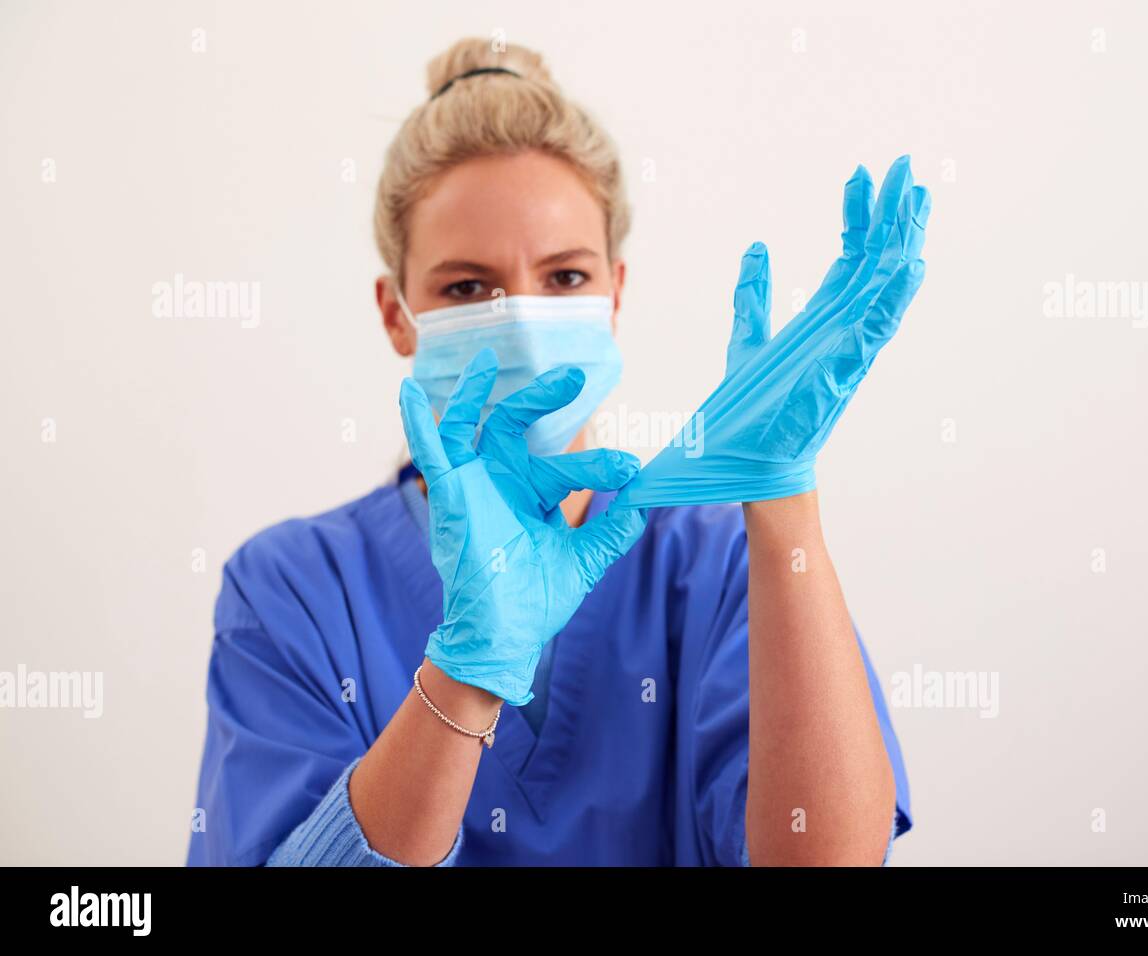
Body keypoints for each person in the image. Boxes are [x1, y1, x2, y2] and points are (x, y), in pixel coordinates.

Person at [187, 36, 926, 867]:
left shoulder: (716, 565)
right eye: (467, 287)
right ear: (397, 314)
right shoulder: (291, 588)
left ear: (615, 293)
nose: (524, 324)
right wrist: (469, 669)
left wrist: (784, 505)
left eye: (566, 278)